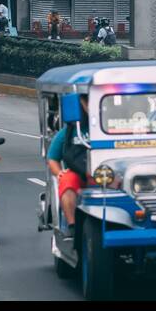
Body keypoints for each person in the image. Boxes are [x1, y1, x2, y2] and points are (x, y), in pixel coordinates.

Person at [46, 95, 90, 228]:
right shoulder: (69, 132)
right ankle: (72, 225)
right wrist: (59, 173)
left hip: (105, 173)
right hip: (78, 173)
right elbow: (53, 158)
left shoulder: (112, 127)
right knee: (67, 180)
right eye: (87, 100)